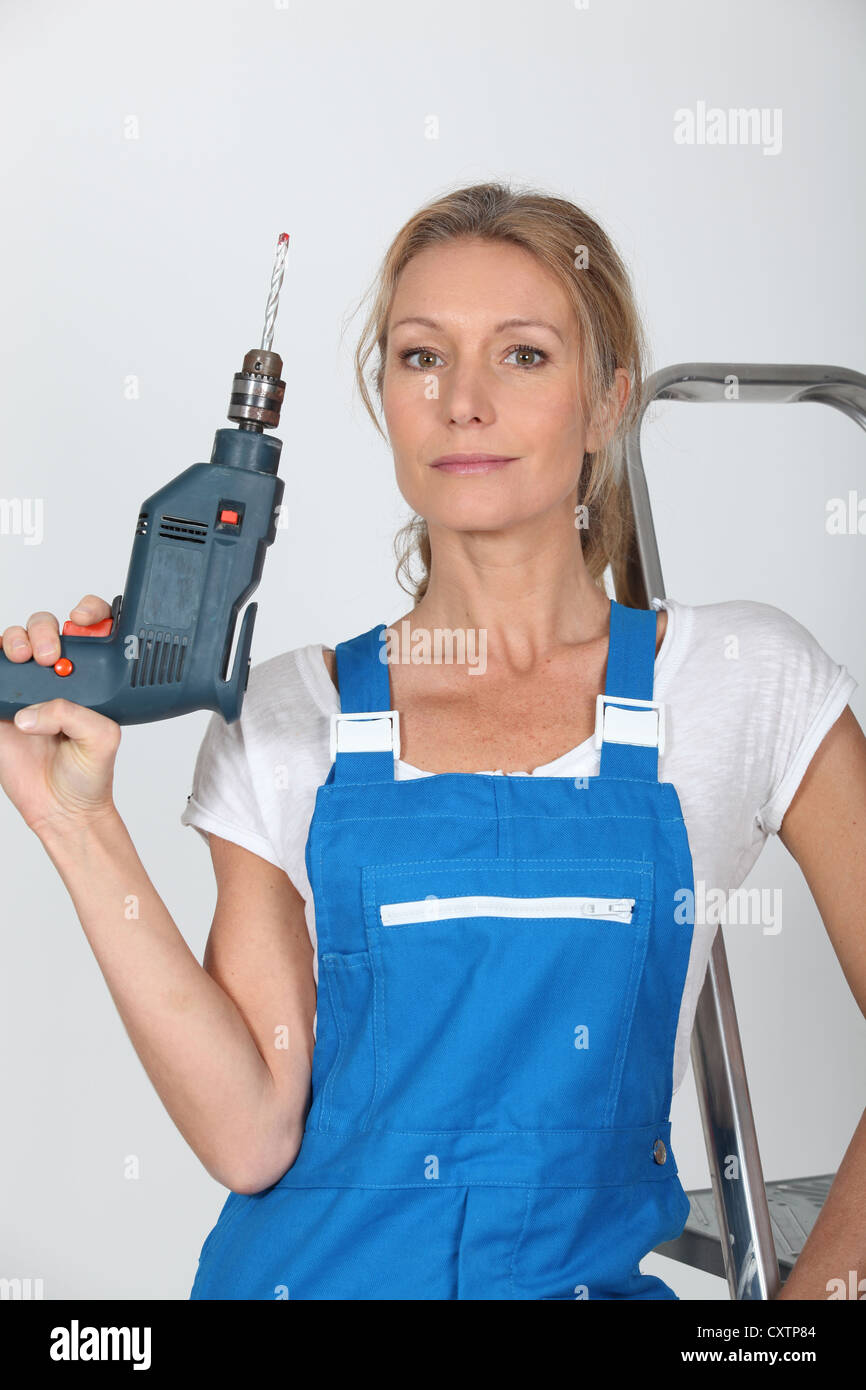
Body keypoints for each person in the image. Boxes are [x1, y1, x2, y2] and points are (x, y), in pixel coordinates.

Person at [2, 181, 864, 1301]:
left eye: (521, 356)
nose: (462, 401)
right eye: (420, 357)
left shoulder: (742, 680)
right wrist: (78, 823)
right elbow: (251, 1132)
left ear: (605, 404)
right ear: (383, 398)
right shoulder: (281, 715)